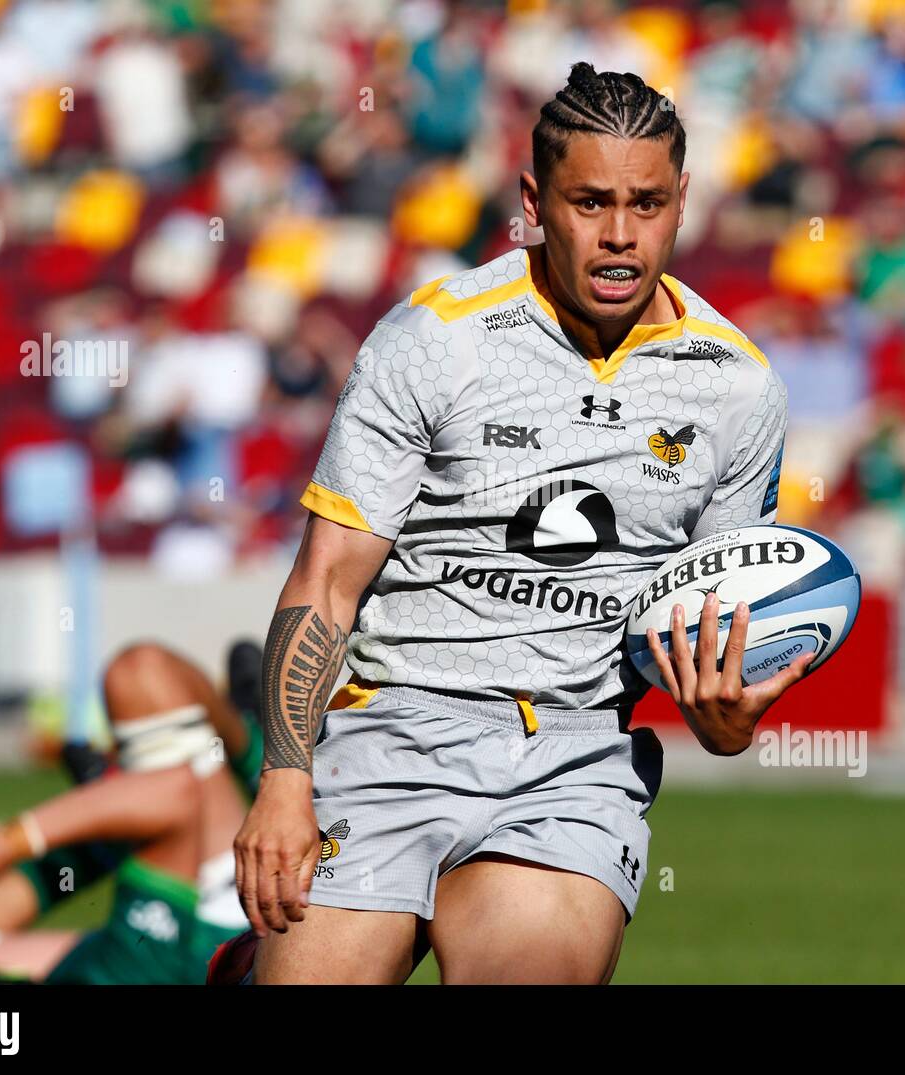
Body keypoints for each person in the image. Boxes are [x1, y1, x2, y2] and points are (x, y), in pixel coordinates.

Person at [232, 63, 809, 986]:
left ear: (685, 199)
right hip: (390, 735)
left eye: (648, 204)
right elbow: (326, 580)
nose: (621, 235)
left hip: (573, 756)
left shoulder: (737, 388)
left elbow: (713, 642)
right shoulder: (436, 337)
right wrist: (283, 780)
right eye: (590, 203)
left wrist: (729, 721)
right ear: (536, 203)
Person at [0, 642, 261, 984]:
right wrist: (12, 839)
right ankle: (258, 758)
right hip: (212, 943)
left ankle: (113, 828)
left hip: (150, 942)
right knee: (140, 671)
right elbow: (176, 791)